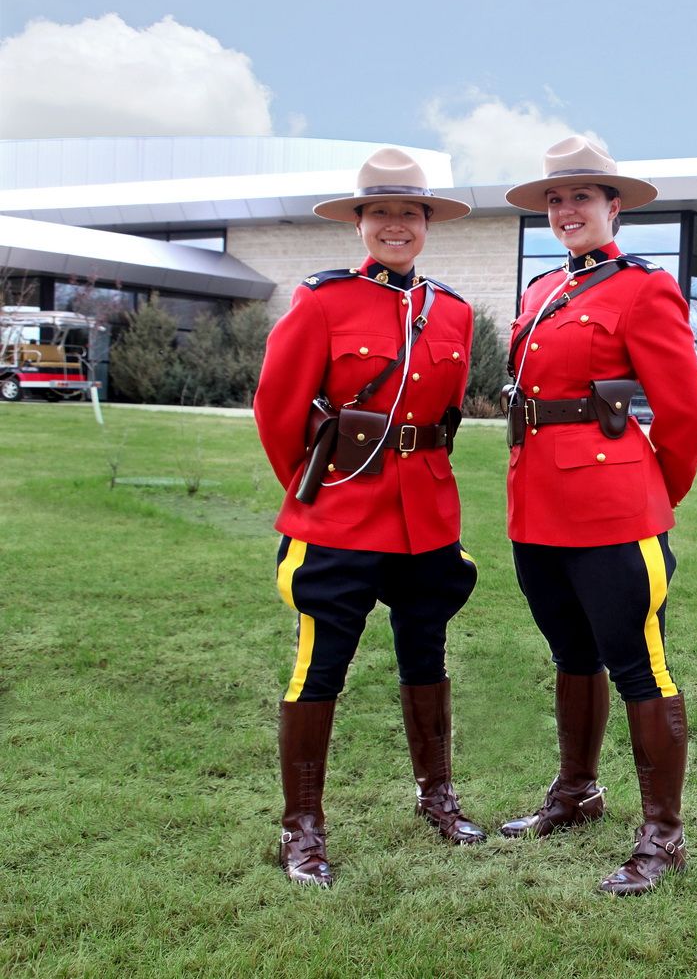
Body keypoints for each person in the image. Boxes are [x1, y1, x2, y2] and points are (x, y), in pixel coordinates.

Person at [253, 148, 485, 887]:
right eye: (380, 211)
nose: (395, 225)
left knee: (427, 655)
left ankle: (436, 796)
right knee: (320, 666)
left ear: (426, 223)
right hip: (342, 515)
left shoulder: (452, 312)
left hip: (426, 517)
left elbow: (445, 416)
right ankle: (302, 826)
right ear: (358, 222)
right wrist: (318, 485)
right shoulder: (322, 300)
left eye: (409, 212)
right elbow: (277, 409)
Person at [499, 136, 697, 895]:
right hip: (538, 508)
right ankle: (577, 793)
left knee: (639, 665)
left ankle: (663, 836)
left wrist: (651, 498)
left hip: (615, 511)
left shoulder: (644, 288)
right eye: (555, 199)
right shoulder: (541, 291)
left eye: (581, 197)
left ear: (613, 207)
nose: (566, 211)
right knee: (571, 654)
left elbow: (685, 411)